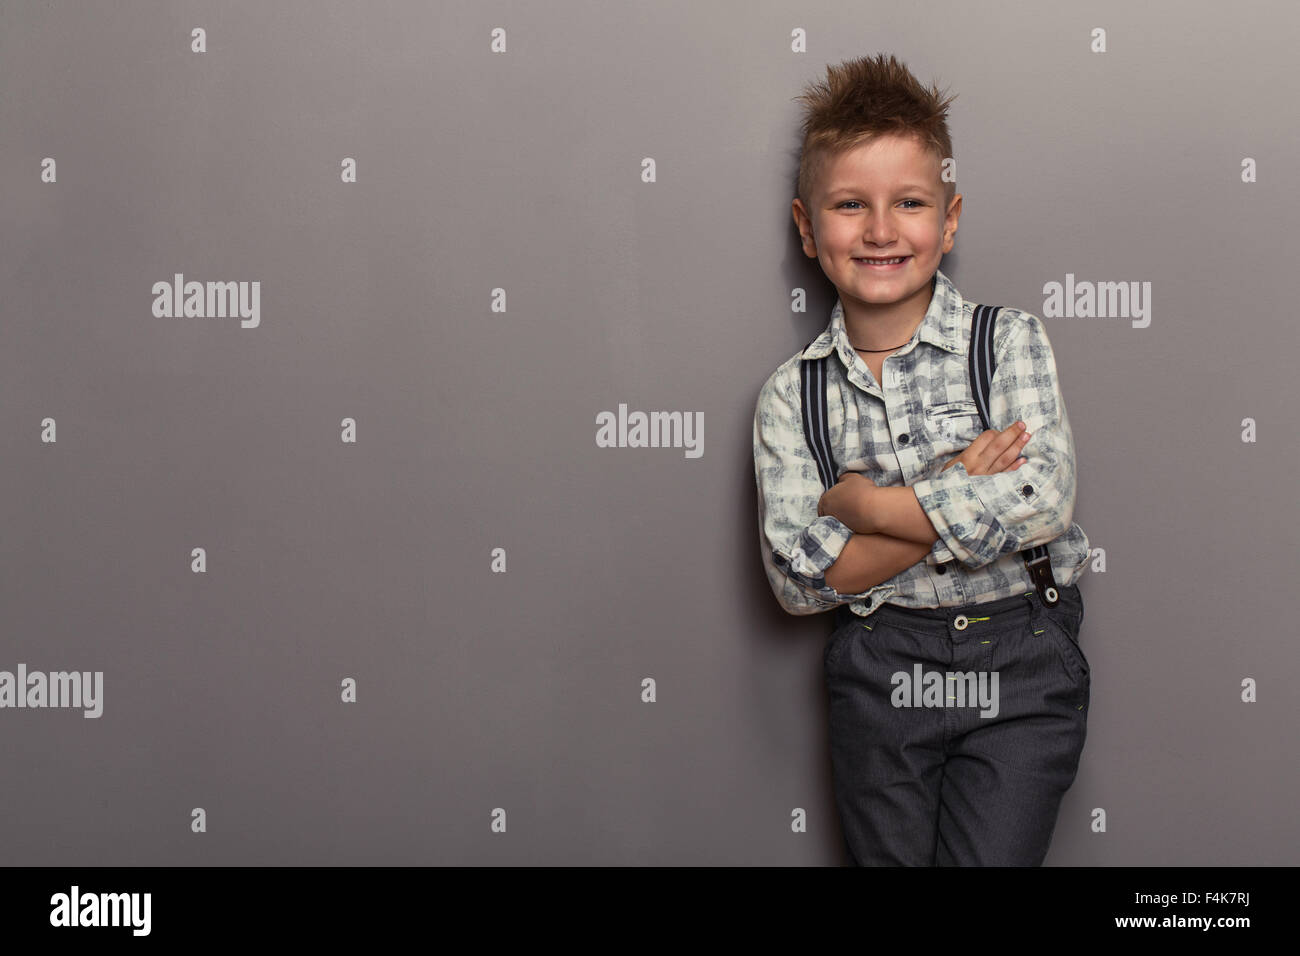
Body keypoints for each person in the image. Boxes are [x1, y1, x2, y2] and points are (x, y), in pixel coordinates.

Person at [752, 53, 1093, 866]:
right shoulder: (788, 398)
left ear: (948, 219)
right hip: (880, 673)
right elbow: (800, 582)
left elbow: (1042, 501)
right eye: (848, 205)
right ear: (807, 226)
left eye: (909, 202)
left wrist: (872, 512)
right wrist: (961, 487)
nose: (879, 230)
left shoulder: (1006, 340)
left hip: (1023, 662)